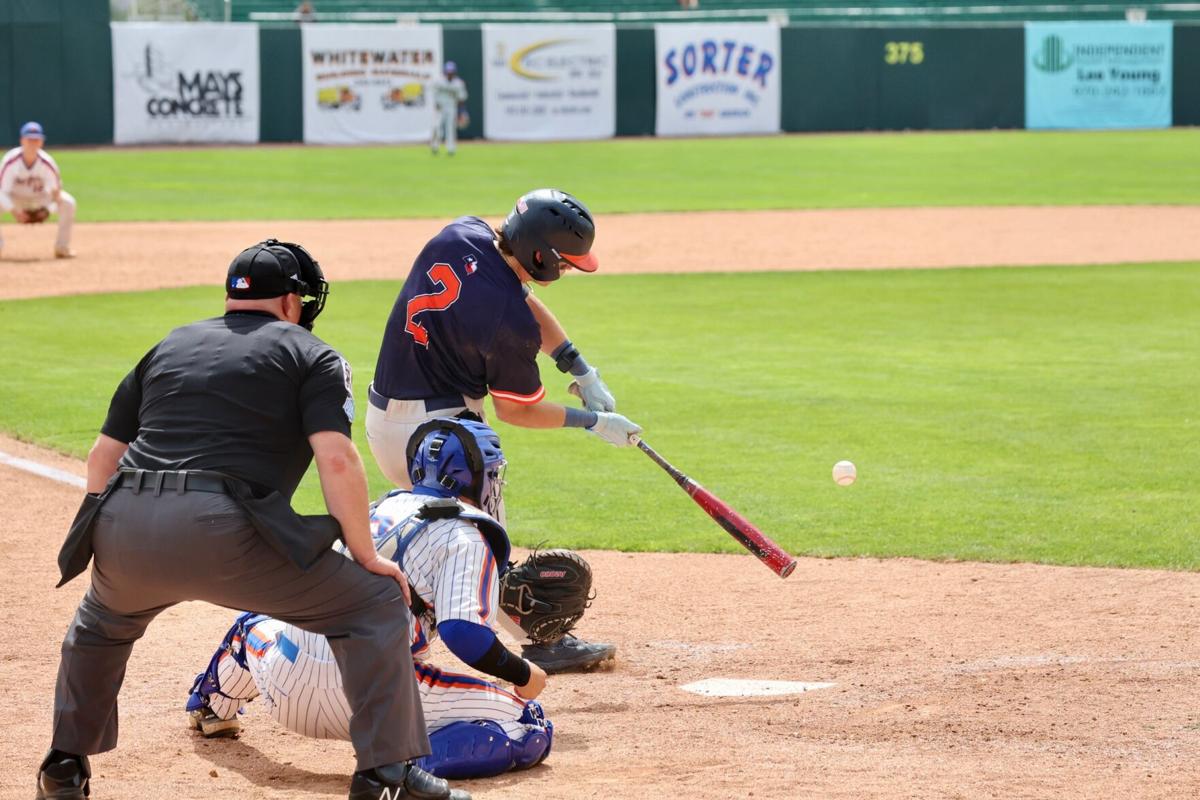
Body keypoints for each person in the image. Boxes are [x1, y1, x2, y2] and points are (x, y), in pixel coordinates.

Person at [36, 240, 469, 800]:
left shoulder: (170, 344)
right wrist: (366, 556)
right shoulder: (313, 355)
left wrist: (107, 541)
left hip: (123, 520)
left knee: (98, 624)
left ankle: (63, 766)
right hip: (224, 530)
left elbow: (103, 459)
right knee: (373, 602)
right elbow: (337, 459)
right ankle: (387, 775)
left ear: (230, 297)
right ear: (291, 301)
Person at [186, 418, 555, 780]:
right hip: (375, 703)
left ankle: (210, 705)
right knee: (529, 724)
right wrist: (522, 672)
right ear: (474, 477)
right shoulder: (465, 536)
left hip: (283, 683)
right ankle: (405, 766)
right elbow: (463, 633)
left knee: (254, 623)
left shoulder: (375, 508)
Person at [366, 188, 640, 673]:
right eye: (565, 262)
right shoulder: (504, 319)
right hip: (441, 436)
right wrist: (593, 421)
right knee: (486, 542)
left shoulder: (463, 232)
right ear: (541, 255)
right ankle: (533, 639)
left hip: (386, 419)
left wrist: (577, 366)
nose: (567, 270)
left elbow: (520, 296)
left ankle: (387, 623)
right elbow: (517, 410)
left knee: (437, 535)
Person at [0, 121, 76, 259]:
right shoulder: (10, 161)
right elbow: (1, 192)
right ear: (22, 140)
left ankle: (62, 248)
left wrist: (48, 210)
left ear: (41, 142)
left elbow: (56, 193)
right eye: (29, 139)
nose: (32, 143)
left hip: (39, 198)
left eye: (36, 139)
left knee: (68, 203)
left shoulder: (47, 162)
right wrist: (14, 210)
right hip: (15, 199)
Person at [429, 61, 468, 156]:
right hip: (440, 107)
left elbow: (462, 98)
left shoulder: (458, 83)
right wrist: (436, 104)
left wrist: (462, 112)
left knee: (450, 128)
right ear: (445, 72)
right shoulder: (438, 81)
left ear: (454, 72)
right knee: (437, 127)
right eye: (448, 71)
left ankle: (451, 148)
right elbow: (433, 93)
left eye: (451, 72)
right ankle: (435, 146)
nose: (449, 73)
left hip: (451, 107)